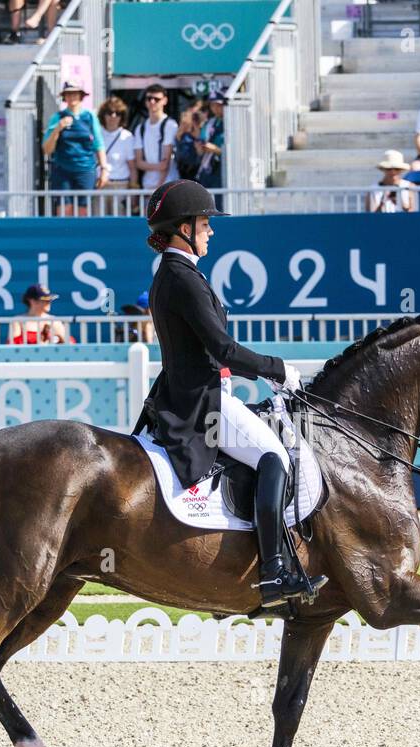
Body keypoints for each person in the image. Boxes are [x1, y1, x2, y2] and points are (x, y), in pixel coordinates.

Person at [138, 180, 325, 607]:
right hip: (201, 402)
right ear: (183, 228)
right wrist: (275, 370)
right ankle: (274, 570)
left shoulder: (176, 273)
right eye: (204, 223)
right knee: (274, 458)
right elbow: (222, 349)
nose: (211, 231)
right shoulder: (181, 277)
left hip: (193, 393)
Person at [42, 80, 107, 217]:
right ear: (64, 97)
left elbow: (99, 144)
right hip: (62, 171)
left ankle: (83, 238)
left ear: (81, 96)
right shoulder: (57, 117)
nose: (72, 97)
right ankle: (64, 238)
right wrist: (58, 129)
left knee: (83, 210)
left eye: (75, 94)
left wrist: (104, 169)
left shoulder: (89, 117)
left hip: (86, 170)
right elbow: (47, 149)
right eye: (68, 94)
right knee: (64, 210)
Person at [133, 84, 178, 193]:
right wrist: (159, 166)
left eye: (156, 99)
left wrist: (158, 190)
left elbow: (165, 164)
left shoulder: (170, 125)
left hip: (168, 186)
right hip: (147, 186)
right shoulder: (140, 128)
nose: (152, 102)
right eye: (149, 98)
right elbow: (138, 163)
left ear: (165, 101)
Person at [97, 96, 138, 193]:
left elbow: (132, 167)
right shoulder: (97, 134)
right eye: (109, 113)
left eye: (118, 113)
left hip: (121, 185)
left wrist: (133, 189)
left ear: (122, 116)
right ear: (103, 115)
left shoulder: (127, 136)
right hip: (99, 184)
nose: (113, 116)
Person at [195, 91, 225, 190]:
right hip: (208, 169)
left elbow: (239, 152)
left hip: (225, 171)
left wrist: (216, 150)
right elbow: (201, 141)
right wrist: (200, 147)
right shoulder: (210, 123)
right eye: (212, 105)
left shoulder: (234, 121)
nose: (215, 109)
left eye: (219, 105)